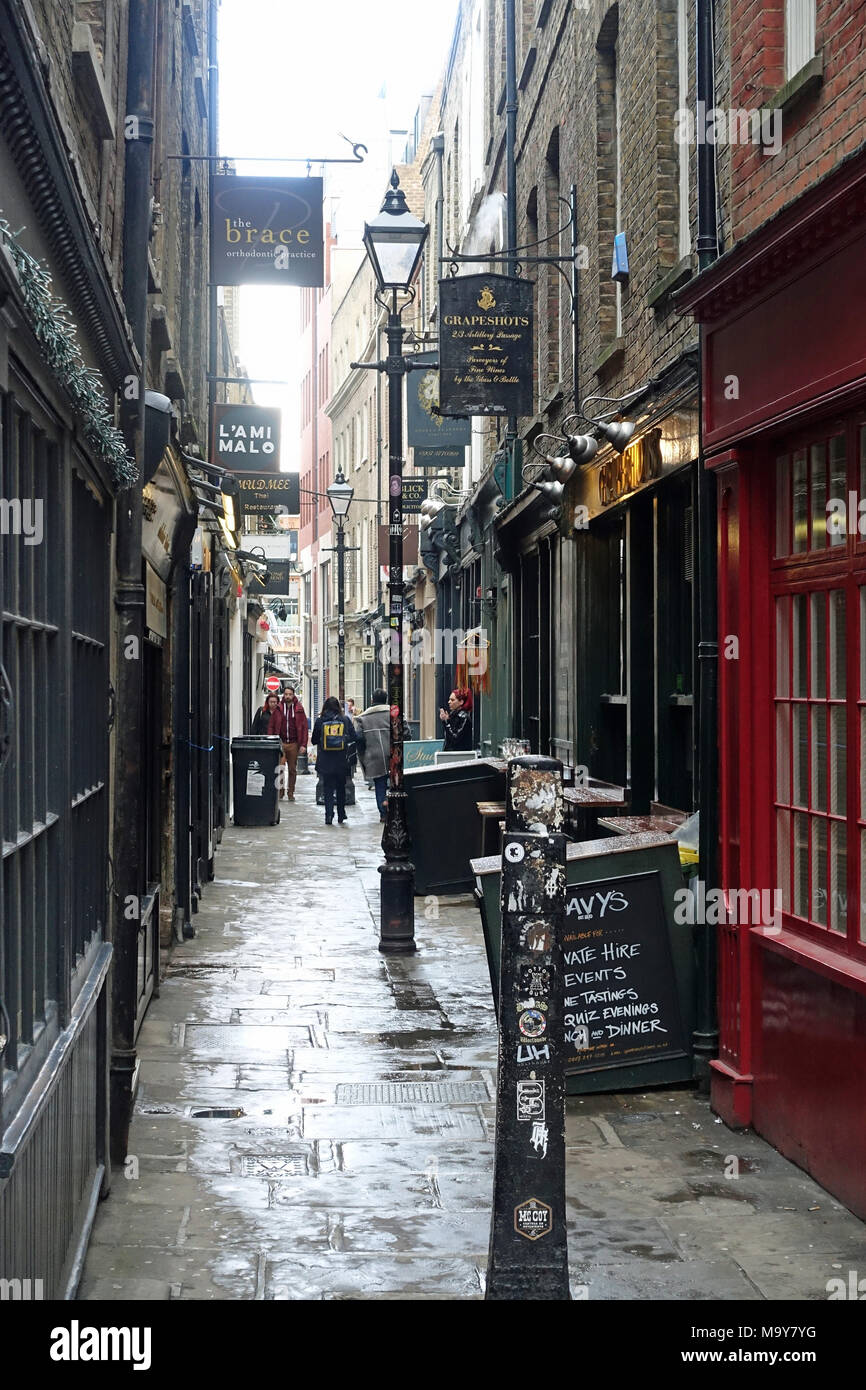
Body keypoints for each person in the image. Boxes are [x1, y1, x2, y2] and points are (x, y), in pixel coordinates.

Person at [354, 689, 410, 823]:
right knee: (396, 783)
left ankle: (383, 813)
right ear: (386, 700)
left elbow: (359, 739)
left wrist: (364, 754)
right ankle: (395, 809)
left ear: (372, 700)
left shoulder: (362, 718)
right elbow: (407, 733)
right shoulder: (395, 714)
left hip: (374, 756)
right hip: (394, 754)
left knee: (379, 784)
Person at [310, 696, 356, 825]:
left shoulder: (320, 721)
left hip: (325, 759)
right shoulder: (345, 720)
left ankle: (328, 815)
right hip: (341, 759)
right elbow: (354, 737)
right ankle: (341, 814)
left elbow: (313, 740)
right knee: (341, 787)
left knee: (328, 788)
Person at [268, 684, 309, 801]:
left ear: (293, 695)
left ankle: (291, 792)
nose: (287, 696)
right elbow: (271, 725)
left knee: (292, 769)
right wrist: (272, 739)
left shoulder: (299, 709)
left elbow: (304, 727)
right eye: (286, 694)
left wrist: (303, 744)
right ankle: (280, 792)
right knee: (280, 767)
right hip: (280, 742)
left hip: (294, 743)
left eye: (290, 694)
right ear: (283, 695)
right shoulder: (279, 708)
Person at [439, 687, 473, 752]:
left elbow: (455, 738)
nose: (449, 702)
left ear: (461, 702)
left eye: (452, 700)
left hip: (459, 756)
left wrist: (446, 722)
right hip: (452, 754)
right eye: (449, 699)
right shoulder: (454, 715)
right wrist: (447, 721)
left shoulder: (463, 717)